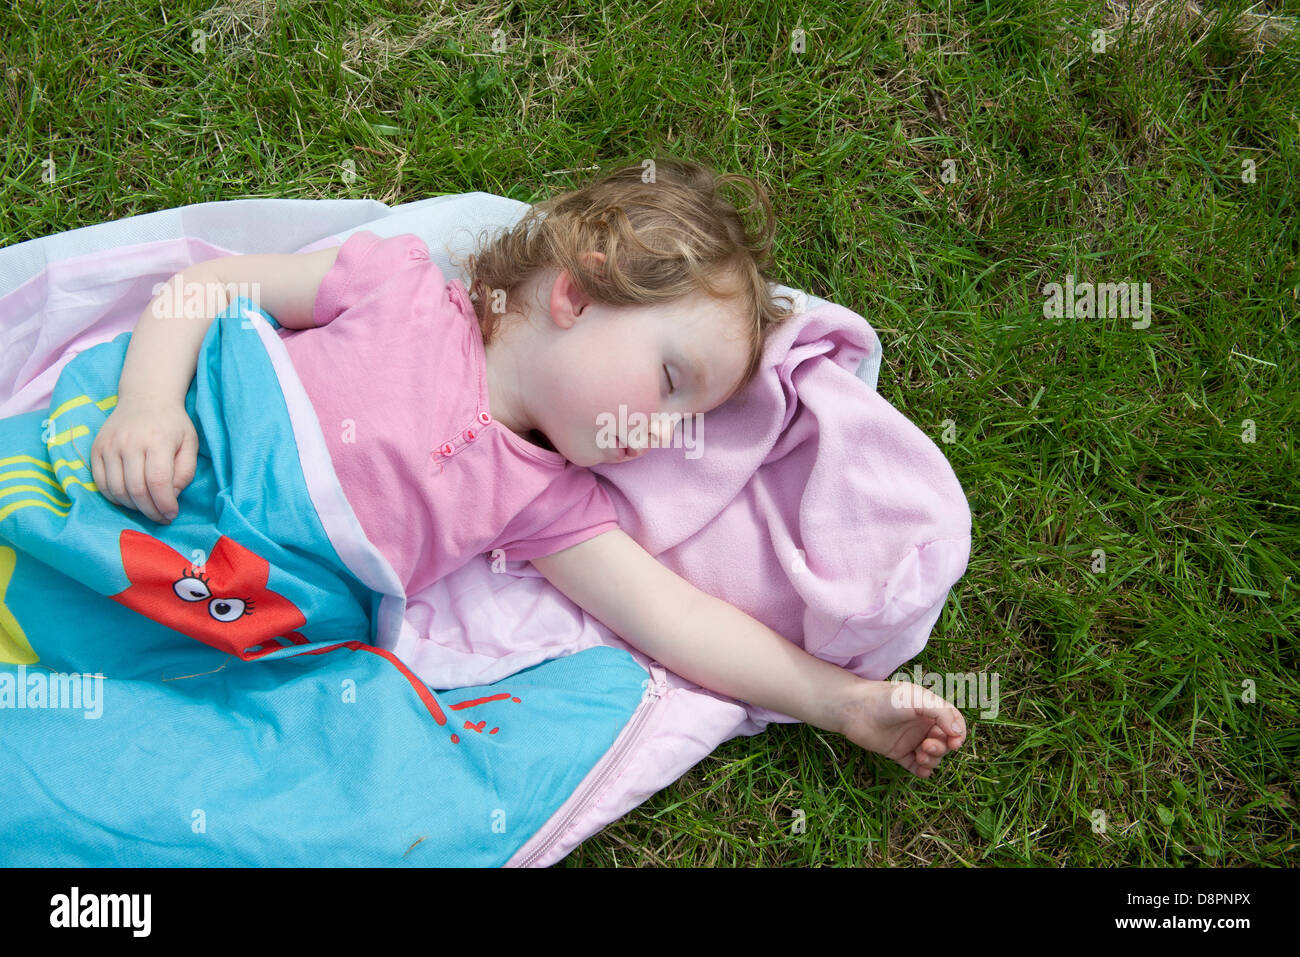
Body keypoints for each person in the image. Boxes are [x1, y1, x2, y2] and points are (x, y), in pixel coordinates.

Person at [90, 158, 966, 779]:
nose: (658, 435)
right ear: (577, 294)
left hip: (218, 606)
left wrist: (846, 703)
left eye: (687, 420)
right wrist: (150, 401)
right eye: (669, 383)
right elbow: (209, 287)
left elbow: (678, 619)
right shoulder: (395, 288)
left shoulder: (543, 500)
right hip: (168, 475)